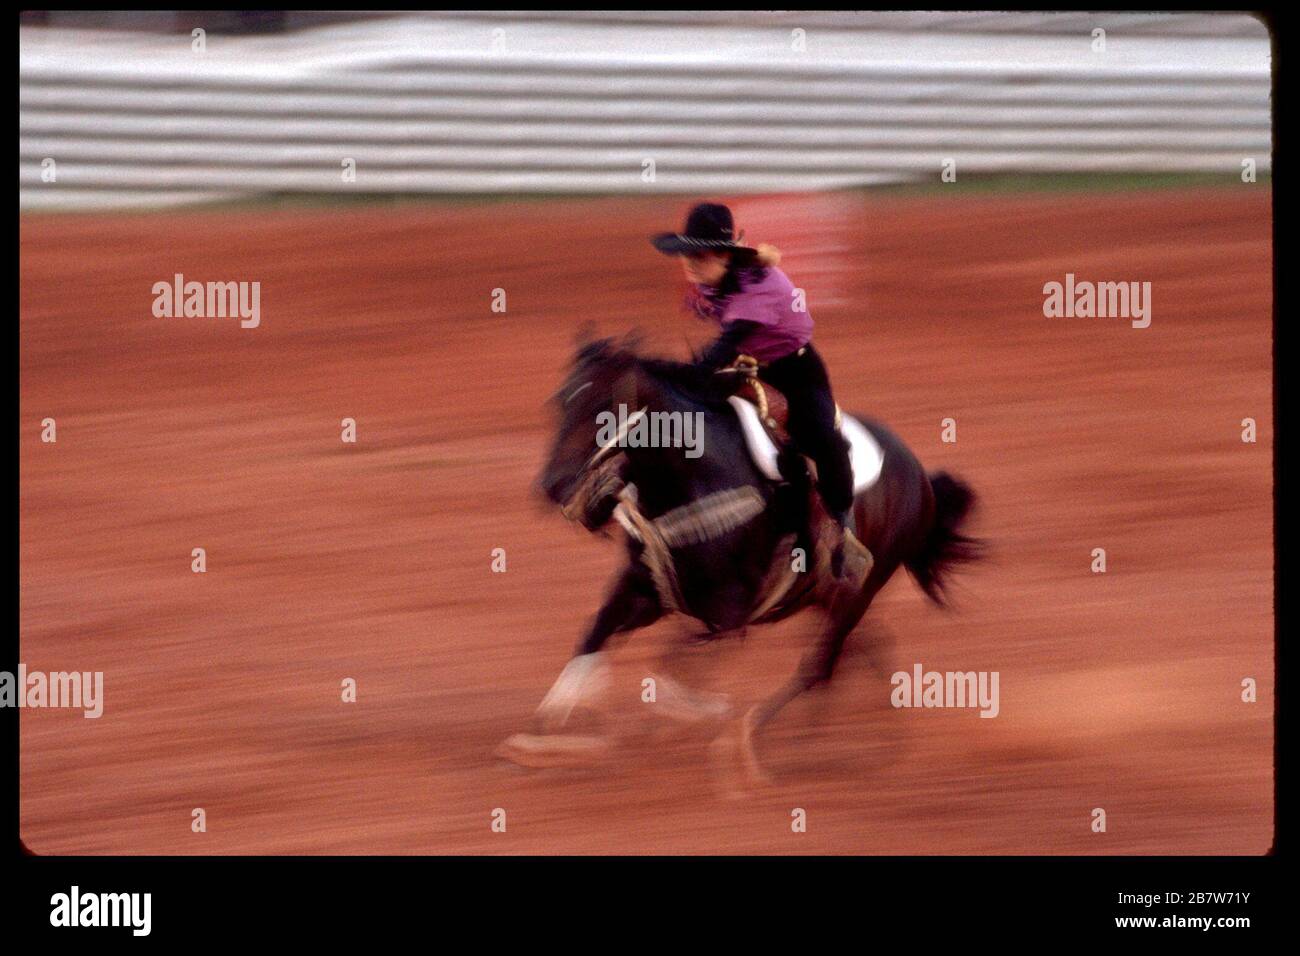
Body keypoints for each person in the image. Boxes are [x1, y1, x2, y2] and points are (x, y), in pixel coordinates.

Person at [650, 201, 871, 579]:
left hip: (796, 370)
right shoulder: (712, 283)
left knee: (820, 438)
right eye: (687, 253)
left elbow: (713, 358)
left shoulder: (760, 290)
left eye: (698, 255)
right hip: (750, 364)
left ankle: (844, 526)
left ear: (724, 256)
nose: (689, 263)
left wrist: (656, 370)